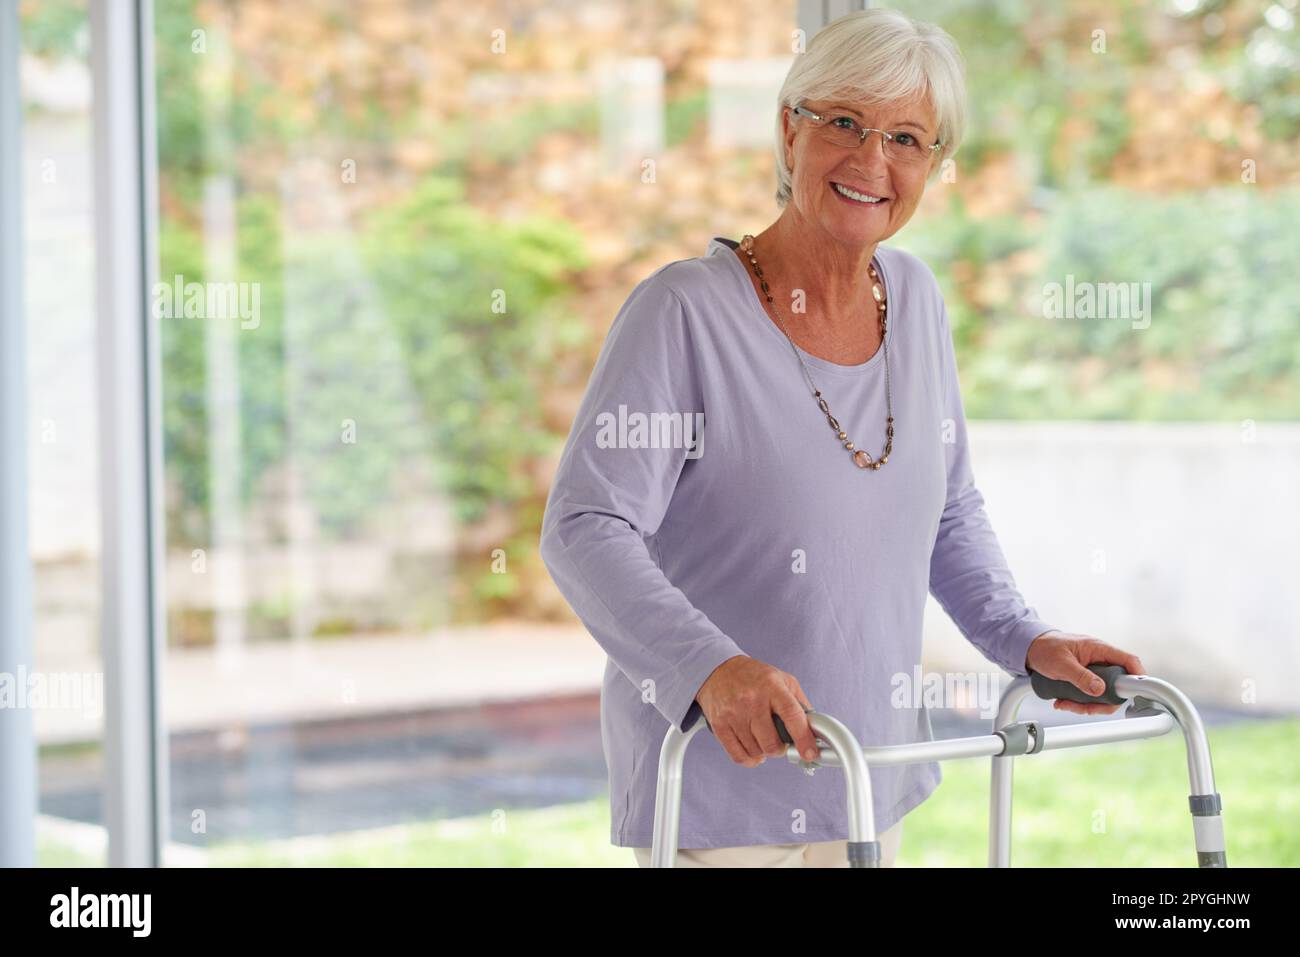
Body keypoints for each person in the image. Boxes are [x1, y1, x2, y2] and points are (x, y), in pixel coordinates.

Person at [539, 7, 1144, 868]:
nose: (872, 161)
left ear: (933, 164)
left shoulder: (916, 298)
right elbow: (585, 527)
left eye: (906, 138)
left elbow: (948, 509)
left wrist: (1025, 638)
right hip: (722, 796)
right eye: (846, 124)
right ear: (791, 130)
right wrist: (711, 668)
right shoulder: (681, 313)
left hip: (868, 774)